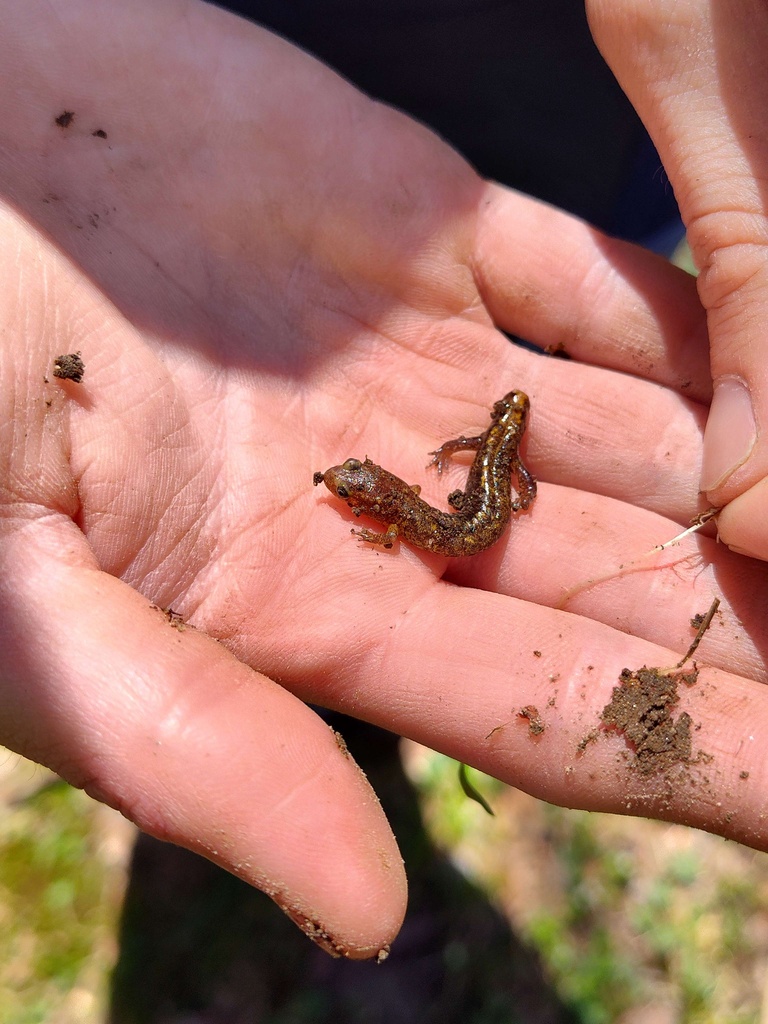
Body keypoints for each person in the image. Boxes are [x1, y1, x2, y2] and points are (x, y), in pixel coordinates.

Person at [1, 0, 767, 960]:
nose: (353, 496)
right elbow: (428, 501)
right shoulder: (445, 481)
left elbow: (416, 517)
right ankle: (362, 735)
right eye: (359, 493)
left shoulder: (442, 496)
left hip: (578, 146)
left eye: (354, 494)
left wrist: (404, 522)